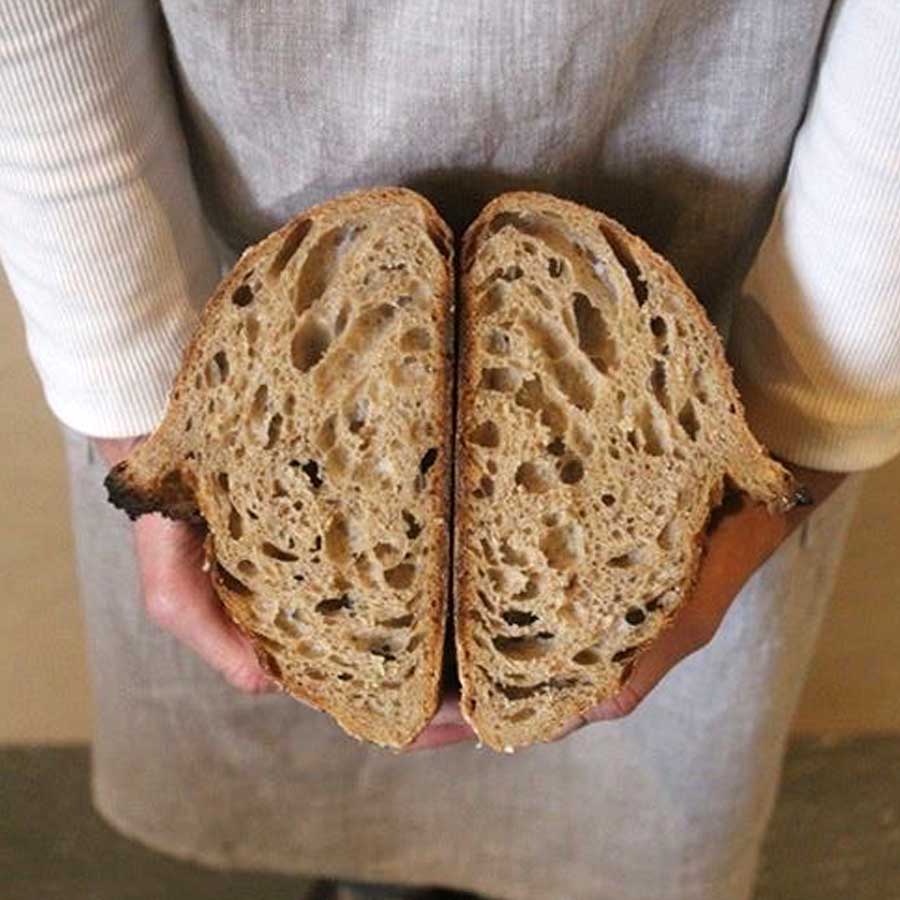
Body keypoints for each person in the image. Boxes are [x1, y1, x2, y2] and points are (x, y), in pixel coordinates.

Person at [1, 2, 898, 898]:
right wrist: (133, 386)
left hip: (720, 281)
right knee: (324, 717)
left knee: (618, 731)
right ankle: (375, 869)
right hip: (243, 273)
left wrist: (812, 403)